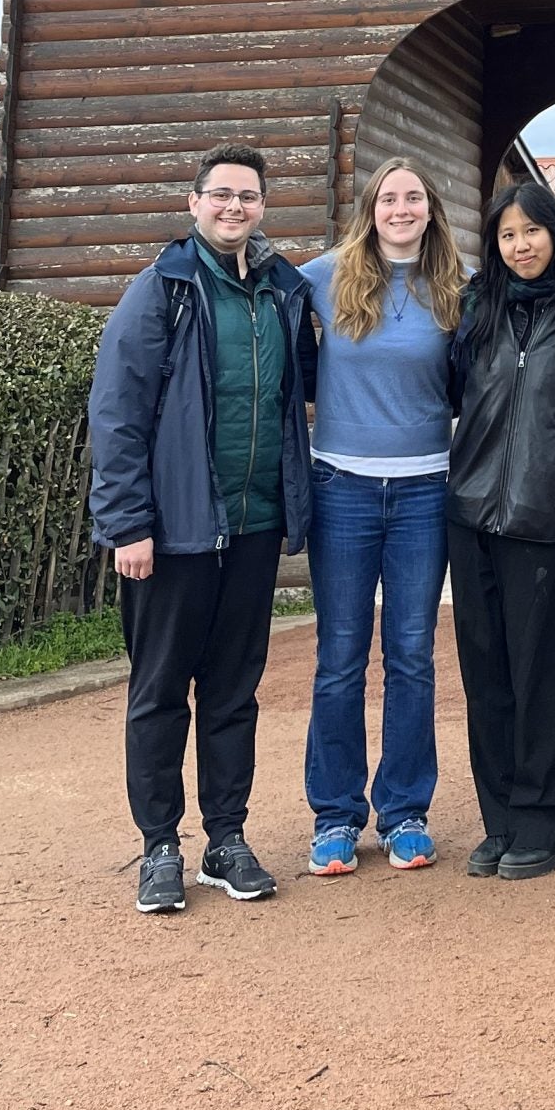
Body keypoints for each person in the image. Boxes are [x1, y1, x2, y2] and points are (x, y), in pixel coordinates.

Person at [88, 141, 312, 917]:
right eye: (220, 195)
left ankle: (226, 839)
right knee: (158, 695)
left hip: (251, 527)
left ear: (262, 208)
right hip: (172, 534)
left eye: (247, 197)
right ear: (194, 203)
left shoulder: (283, 291)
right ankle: (159, 846)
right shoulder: (161, 292)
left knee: (233, 693)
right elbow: (116, 417)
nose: (233, 208)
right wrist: (127, 525)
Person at [296, 158, 464, 879]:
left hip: (425, 490)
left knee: (411, 656)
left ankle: (404, 812)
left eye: (414, 198)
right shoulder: (320, 277)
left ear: (430, 210)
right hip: (342, 488)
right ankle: (335, 815)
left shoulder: (457, 286)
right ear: (370, 208)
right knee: (339, 658)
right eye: (390, 198)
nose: (402, 208)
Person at [446, 177, 555, 880]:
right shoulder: (473, 310)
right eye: (508, 235)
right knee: (486, 675)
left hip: (542, 516)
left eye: (533, 232)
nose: (521, 246)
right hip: (471, 512)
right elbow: (453, 394)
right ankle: (502, 819)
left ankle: (548, 823)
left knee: (545, 675)